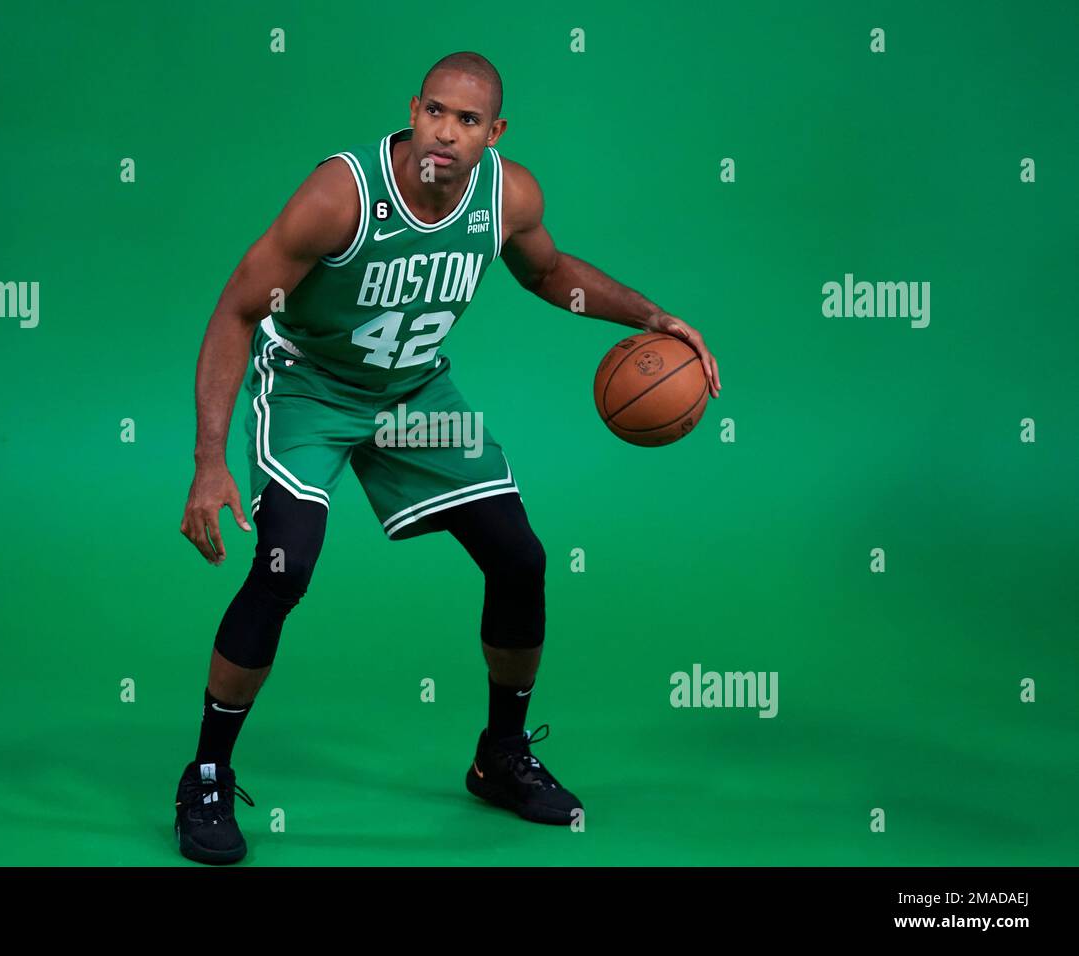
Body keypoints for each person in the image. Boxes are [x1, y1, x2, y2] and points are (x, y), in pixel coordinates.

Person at [175, 51, 721, 865]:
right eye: (435, 111)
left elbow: (550, 272)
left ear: (493, 133)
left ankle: (501, 754)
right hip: (312, 392)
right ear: (413, 109)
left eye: (468, 121)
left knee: (519, 558)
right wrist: (208, 461)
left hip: (414, 399)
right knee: (285, 569)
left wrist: (652, 318)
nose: (446, 132)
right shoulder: (342, 197)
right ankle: (207, 774)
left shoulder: (510, 195)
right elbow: (237, 309)